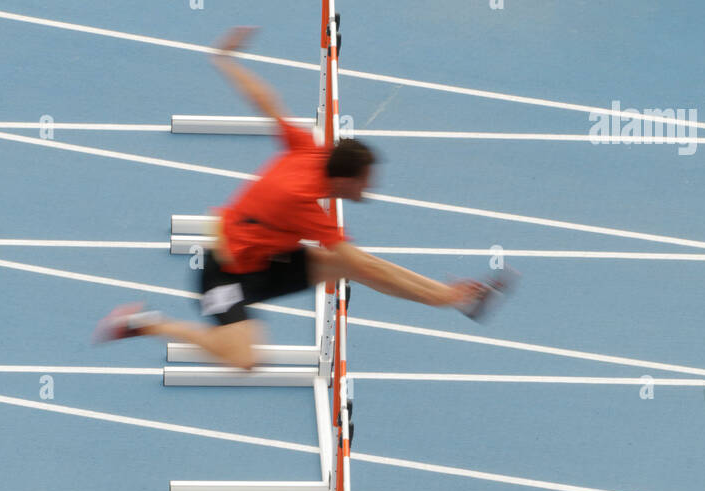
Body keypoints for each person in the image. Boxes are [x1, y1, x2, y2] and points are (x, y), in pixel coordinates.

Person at [94, 26, 509, 369]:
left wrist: (226, 61)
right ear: (343, 181)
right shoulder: (301, 202)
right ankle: (145, 323)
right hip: (226, 272)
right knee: (243, 359)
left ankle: (454, 299)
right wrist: (440, 295)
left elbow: (268, 105)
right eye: (365, 182)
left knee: (351, 267)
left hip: (268, 257)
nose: (370, 189)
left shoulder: (310, 151)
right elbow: (366, 263)